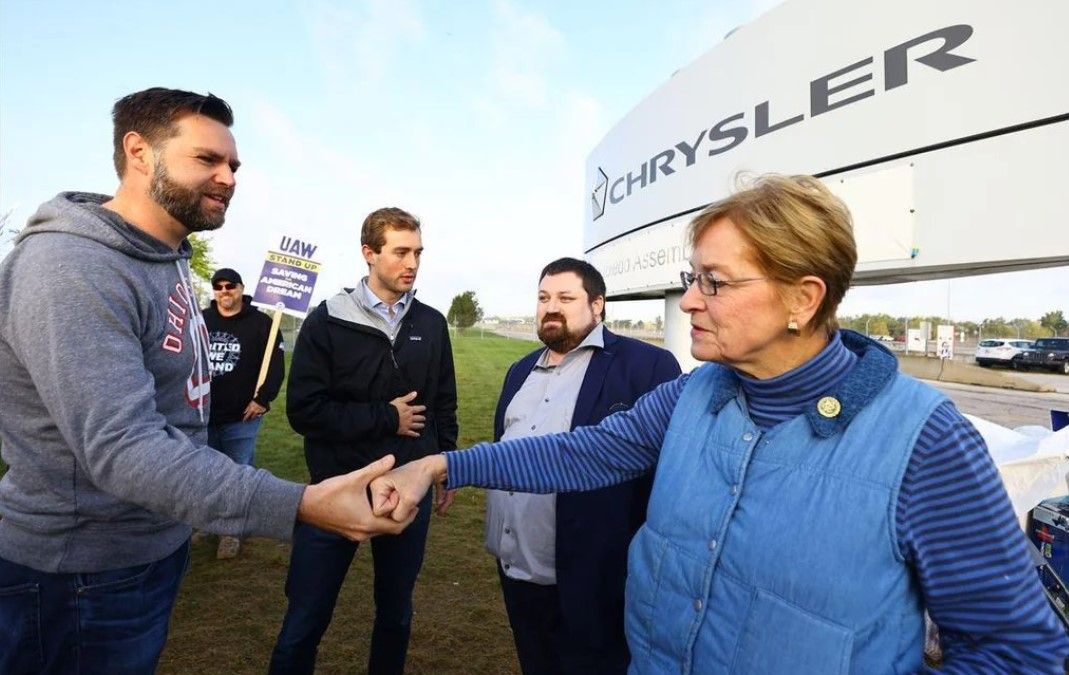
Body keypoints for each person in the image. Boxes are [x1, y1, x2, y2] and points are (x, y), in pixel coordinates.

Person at [373, 175, 1069, 673]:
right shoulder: (691, 394)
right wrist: (442, 464)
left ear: (802, 298)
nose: (689, 302)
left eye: (714, 281)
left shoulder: (926, 442)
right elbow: (586, 453)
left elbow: (1018, 651)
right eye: (692, 278)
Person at [0, 87, 409, 674]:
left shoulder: (163, 259)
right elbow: (123, 446)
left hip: (146, 549)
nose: (228, 177)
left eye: (233, 164)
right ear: (138, 152)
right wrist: (299, 503)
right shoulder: (72, 267)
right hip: (78, 575)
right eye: (206, 159)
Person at [269, 207, 458, 675]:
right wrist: (386, 417)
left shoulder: (431, 323)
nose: (412, 263)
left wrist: (447, 464)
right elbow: (304, 411)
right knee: (305, 618)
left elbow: (443, 403)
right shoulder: (327, 321)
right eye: (400, 252)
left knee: (395, 613)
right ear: (369, 253)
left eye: (418, 253)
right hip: (336, 489)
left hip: (408, 490)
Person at [487, 257, 679, 674]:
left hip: (593, 579)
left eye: (565, 298)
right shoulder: (519, 371)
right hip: (517, 570)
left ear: (597, 305)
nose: (551, 308)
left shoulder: (647, 366)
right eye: (543, 298)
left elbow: (663, 477)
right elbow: (503, 448)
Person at [202, 266, 286, 559]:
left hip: (242, 416)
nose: (224, 291)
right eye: (219, 287)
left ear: (241, 288)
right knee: (206, 472)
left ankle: (232, 531)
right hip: (204, 414)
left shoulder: (262, 324)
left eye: (230, 286)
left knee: (238, 474)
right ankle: (209, 523)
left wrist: (262, 399)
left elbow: (275, 366)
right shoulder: (201, 320)